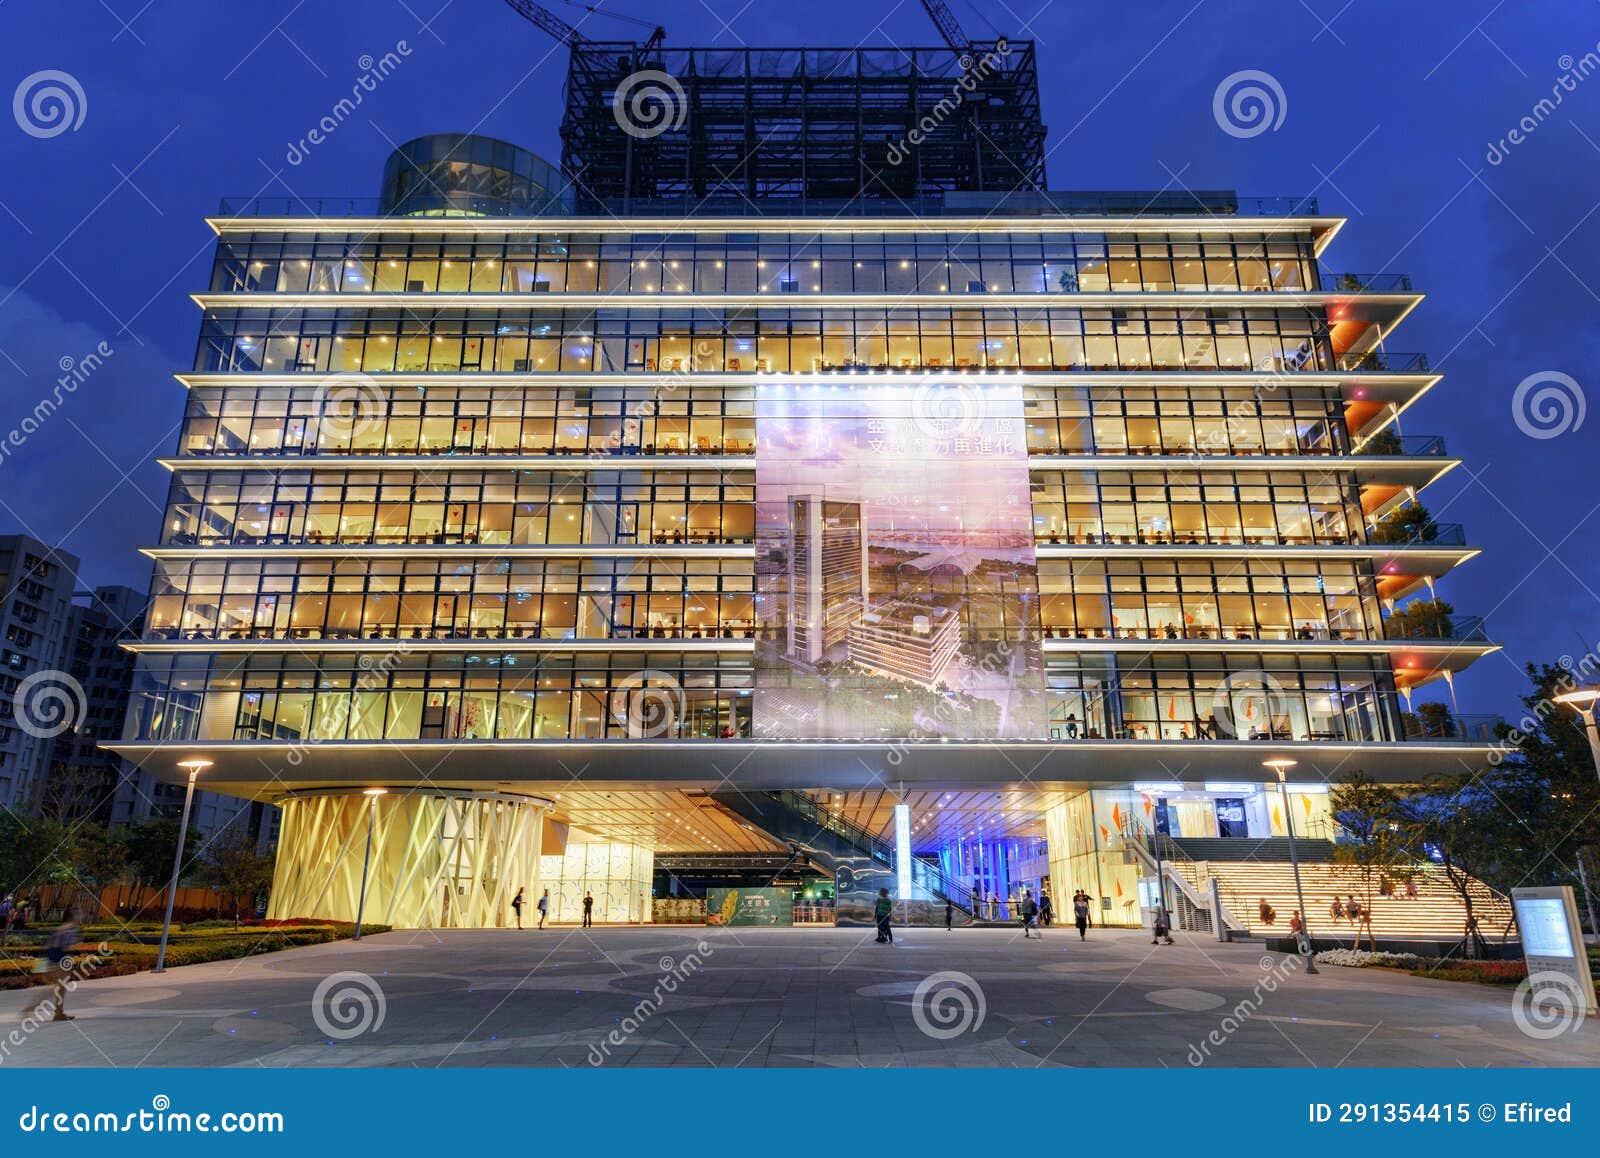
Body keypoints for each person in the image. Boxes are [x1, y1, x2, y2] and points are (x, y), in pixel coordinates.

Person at [22, 908, 82, 1023]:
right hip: (59, 963)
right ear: (72, 917)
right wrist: (77, 944)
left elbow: (49, 945)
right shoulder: (71, 929)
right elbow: (66, 948)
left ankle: (58, 1013)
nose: (80, 916)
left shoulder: (60, 928)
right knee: (57, 990)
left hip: (51, 961)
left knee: (57, 990)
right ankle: (54, 1013)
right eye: (78, 914)